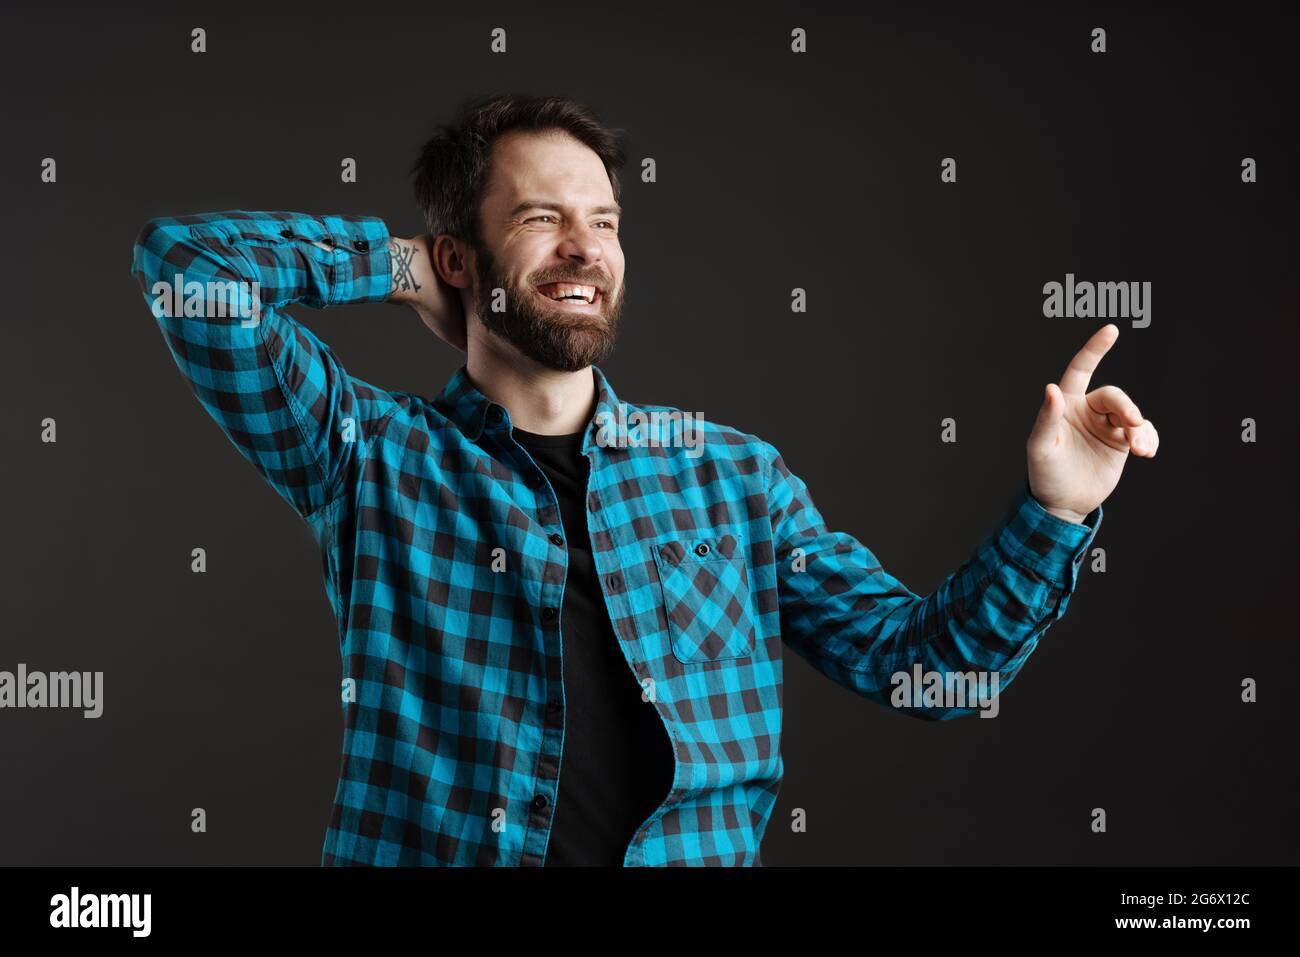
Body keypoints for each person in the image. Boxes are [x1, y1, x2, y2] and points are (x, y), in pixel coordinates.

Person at [129, 93, 1158, 867]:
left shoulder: (732, 477)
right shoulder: (366, 453)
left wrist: (1057, 510)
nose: (584, 248)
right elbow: (188, 267)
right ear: (458, 256)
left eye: (606, 221)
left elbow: (926, 673)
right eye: (539, 219)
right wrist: (400, 269)